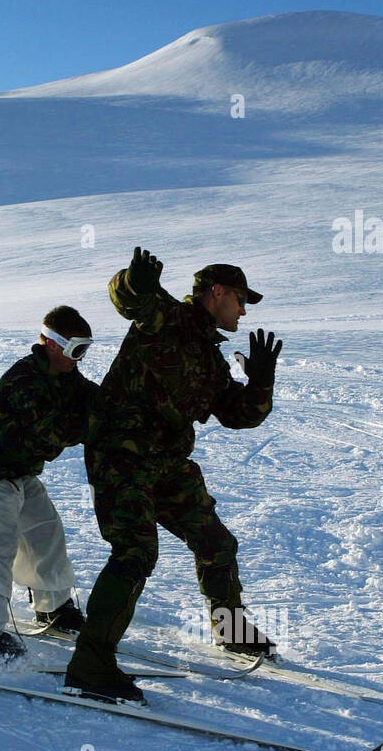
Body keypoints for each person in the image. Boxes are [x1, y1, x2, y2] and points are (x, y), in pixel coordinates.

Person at [65, 248, 283, 703]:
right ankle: (90, 665)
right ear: (217, 292)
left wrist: (261, 382)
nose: (244, 311)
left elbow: (238, 415)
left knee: (216, 544)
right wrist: (133, 280)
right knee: (136, 551)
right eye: (241, 299)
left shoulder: (210, 357)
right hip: (120, 456)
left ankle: (232, 631)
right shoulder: (166, 317)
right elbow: (130, 300)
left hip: (166, 462)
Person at [0, 307, 97, 660]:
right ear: (54, 345)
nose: (81, 358)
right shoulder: (25, 382)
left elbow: (94, 399)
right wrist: (99, 425)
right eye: (77, 349)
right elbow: (59, 430)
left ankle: (53, 606)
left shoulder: (62, 373)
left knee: (45, 533)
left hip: (15, 472)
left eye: (85, 349)